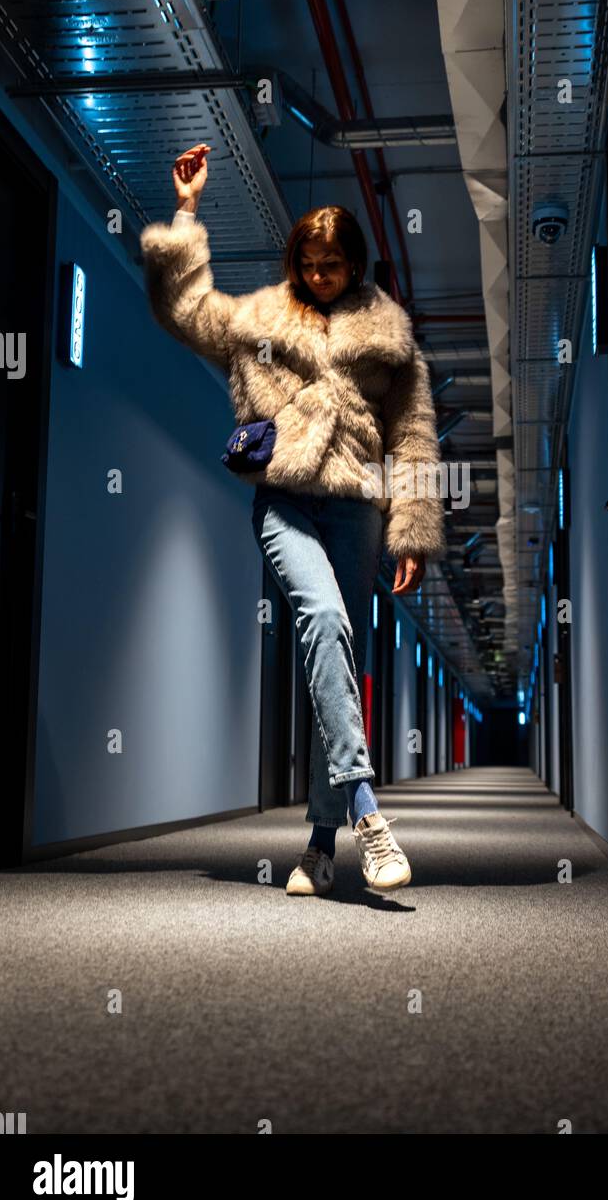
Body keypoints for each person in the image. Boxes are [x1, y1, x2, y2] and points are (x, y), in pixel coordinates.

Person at [139, 144, 446, 896]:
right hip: (283, 500)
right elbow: (185, 311)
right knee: (323, 624)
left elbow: (412, 436)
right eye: (307, 263)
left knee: (335, 665)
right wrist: (187, 211)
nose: (317, 276)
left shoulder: (390, 339)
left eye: (331, 265)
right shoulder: (263, 318)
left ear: (354, 264)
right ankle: (369, 815)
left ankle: (317, 845)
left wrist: (412, 528)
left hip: (356, 509)